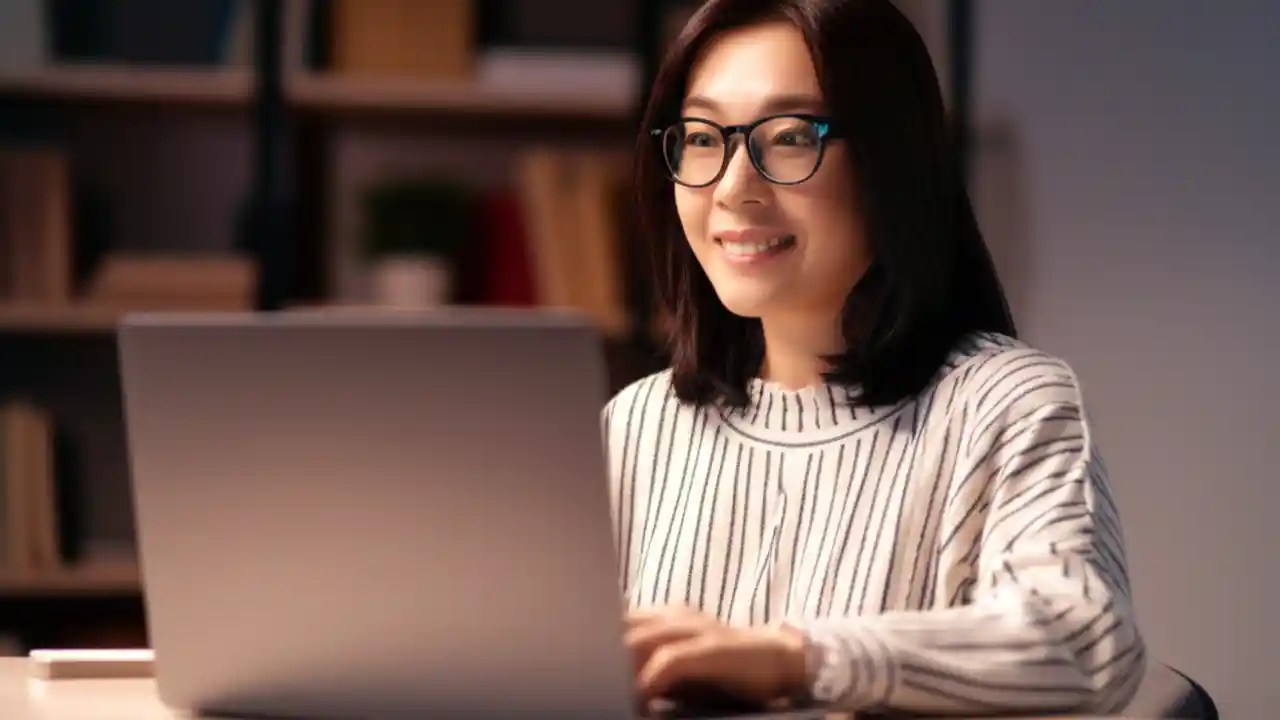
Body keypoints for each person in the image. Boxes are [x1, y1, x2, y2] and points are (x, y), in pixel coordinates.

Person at [602, 0, 1146, 716]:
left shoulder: (1005, 405)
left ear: (892, 162)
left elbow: (1085, 643)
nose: (733, 187)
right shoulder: (639, 425)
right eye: (703, 138)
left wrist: (797, 659)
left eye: (791, 136)